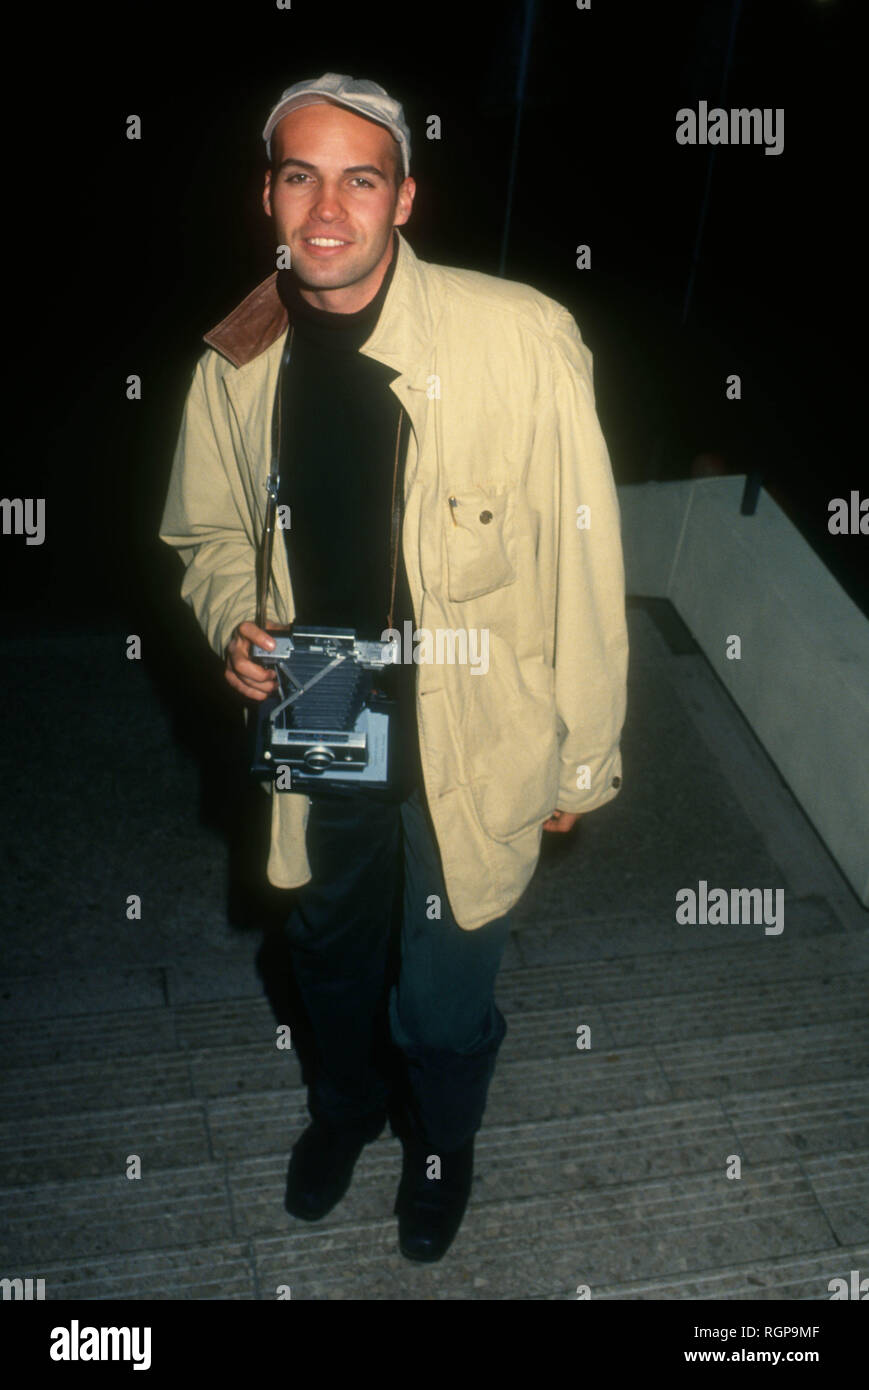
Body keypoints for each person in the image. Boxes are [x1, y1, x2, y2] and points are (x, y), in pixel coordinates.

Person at [159, 73, 629, 1264]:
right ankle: (344, 1111)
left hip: (470, 732)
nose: (327, 208)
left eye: (358, 178)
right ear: (267, 194)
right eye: (299, 175)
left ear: (402, 197)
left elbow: (582, 557)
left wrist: (584, 754)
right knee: (323, 960)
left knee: (441, 989)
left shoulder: (519, 337)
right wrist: (230, 620)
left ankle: (437, 1146)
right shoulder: (235, 361)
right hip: (315, 722)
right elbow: (204, 535)